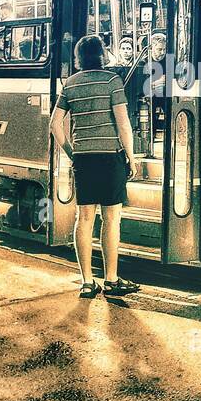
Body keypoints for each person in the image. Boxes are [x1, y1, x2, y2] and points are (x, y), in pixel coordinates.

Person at [49, 35, 141, 298]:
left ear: (79, 57)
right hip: (110, 157)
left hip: (84, 159)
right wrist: (132, 157)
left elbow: (55, 125)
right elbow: (123, 123)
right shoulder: (112, 81)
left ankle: (87, 282)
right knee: (111, 218)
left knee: (84, 218)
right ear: (102, 54)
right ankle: (111, 280)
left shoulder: (70, 84)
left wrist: (72, 153)